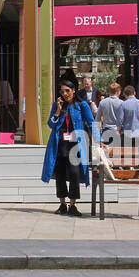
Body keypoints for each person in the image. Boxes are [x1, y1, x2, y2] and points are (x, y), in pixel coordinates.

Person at [41, 80, 94, 216]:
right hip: (59, 146)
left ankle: (73, 205)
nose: (65, 94)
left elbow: (91, 123)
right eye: (62, 91)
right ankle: (62, 204)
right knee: (60, 176)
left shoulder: (82, 105)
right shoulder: (57, 105)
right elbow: (51, 124)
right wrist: (58, 111)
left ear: (74, 90)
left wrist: (99, 140)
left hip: (76, 147)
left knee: (75, 175)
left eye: (67, 91)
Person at [117, 85, 139, 151]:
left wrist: (118, 130)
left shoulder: (123, 105)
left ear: (124, 94)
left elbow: (120, 120)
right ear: (134, 93)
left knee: (128, 156)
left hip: (127, 134)